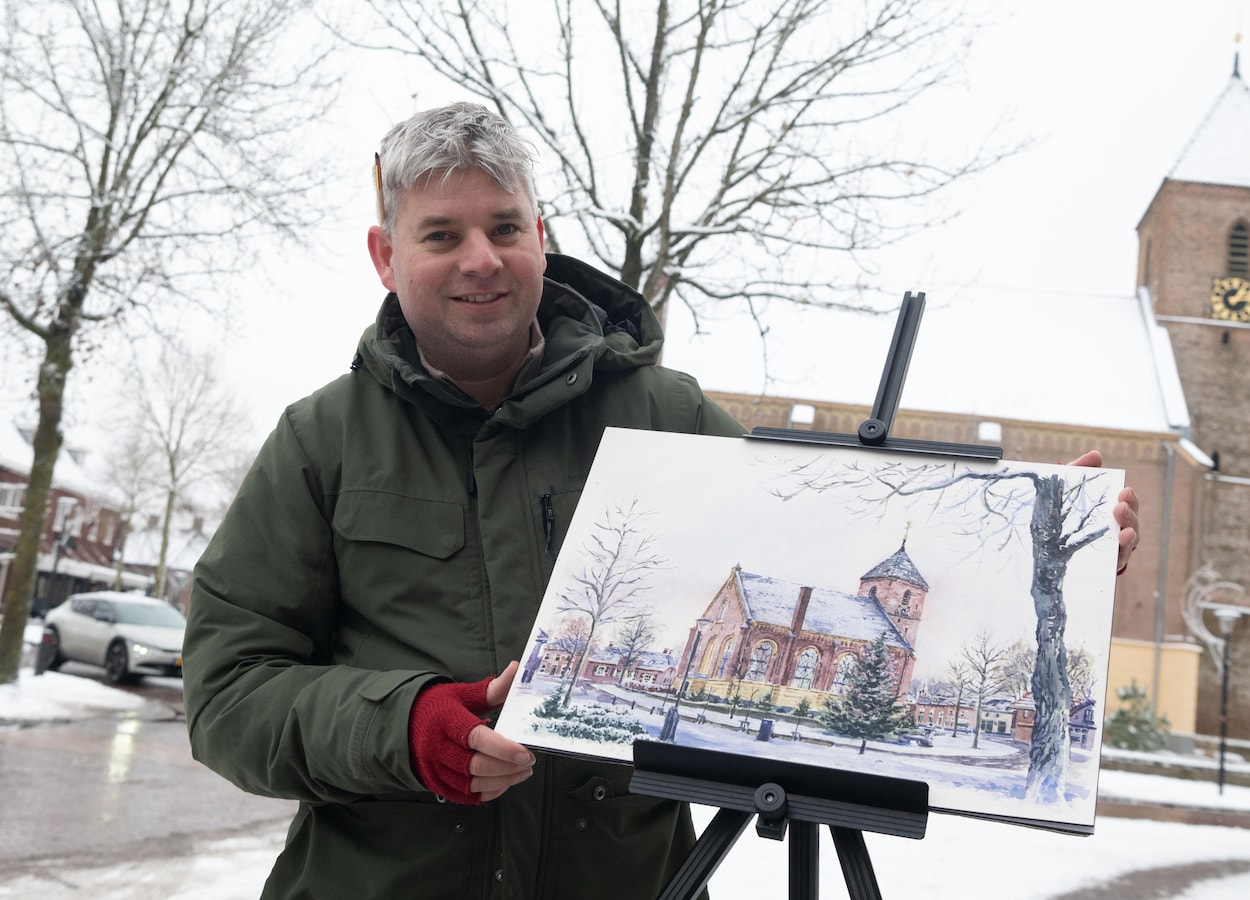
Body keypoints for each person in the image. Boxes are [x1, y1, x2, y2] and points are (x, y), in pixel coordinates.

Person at [184, 102, 1141, 899]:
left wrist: (1045, 555)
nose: (481, 258)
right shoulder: (322, 441)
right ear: (385, 256)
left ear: (540, 238)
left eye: (504, 227)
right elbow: (228, 692)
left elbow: (830, 551)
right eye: (442, 235)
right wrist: (404, 726)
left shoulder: (662, 417)